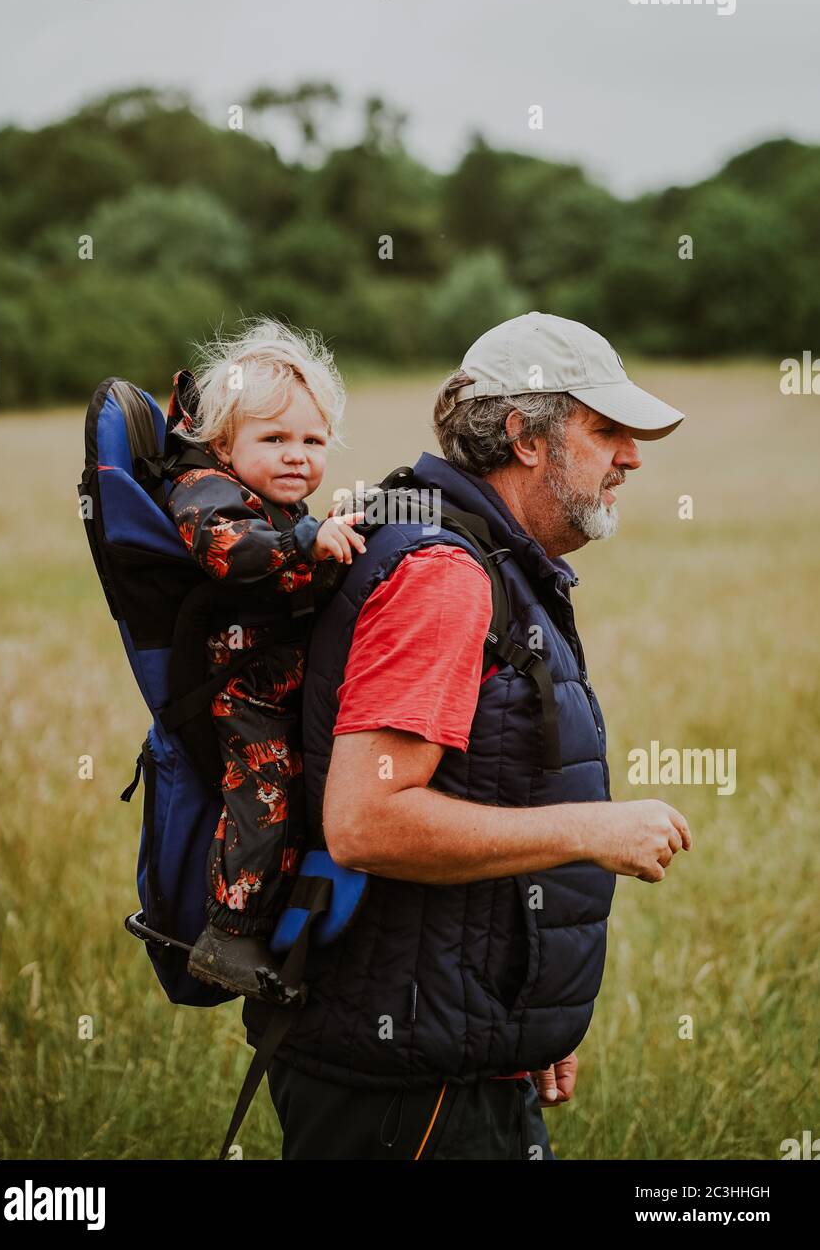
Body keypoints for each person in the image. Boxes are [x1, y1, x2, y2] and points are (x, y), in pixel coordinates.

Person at [242, 310, 694, 1160]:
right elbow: (366, 821)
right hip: (406, 1093)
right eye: (607, 432)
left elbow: (483, 787)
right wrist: (593, 830)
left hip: (453, 1057)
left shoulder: (486, 558)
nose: (632, 457)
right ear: (525, 437)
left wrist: (523, 1029)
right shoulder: (444, 577)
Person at [162, 317, 368, 997]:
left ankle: (291, 919)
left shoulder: (288, 507)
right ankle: (229, 934)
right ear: (223, 443)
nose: (295, 456)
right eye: (274, 439)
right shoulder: (207, 495)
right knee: (266, 791)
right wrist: (309, 542)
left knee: (310, 796)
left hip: (286, 687)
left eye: (312, 441)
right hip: (242, 693)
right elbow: (228, 550)